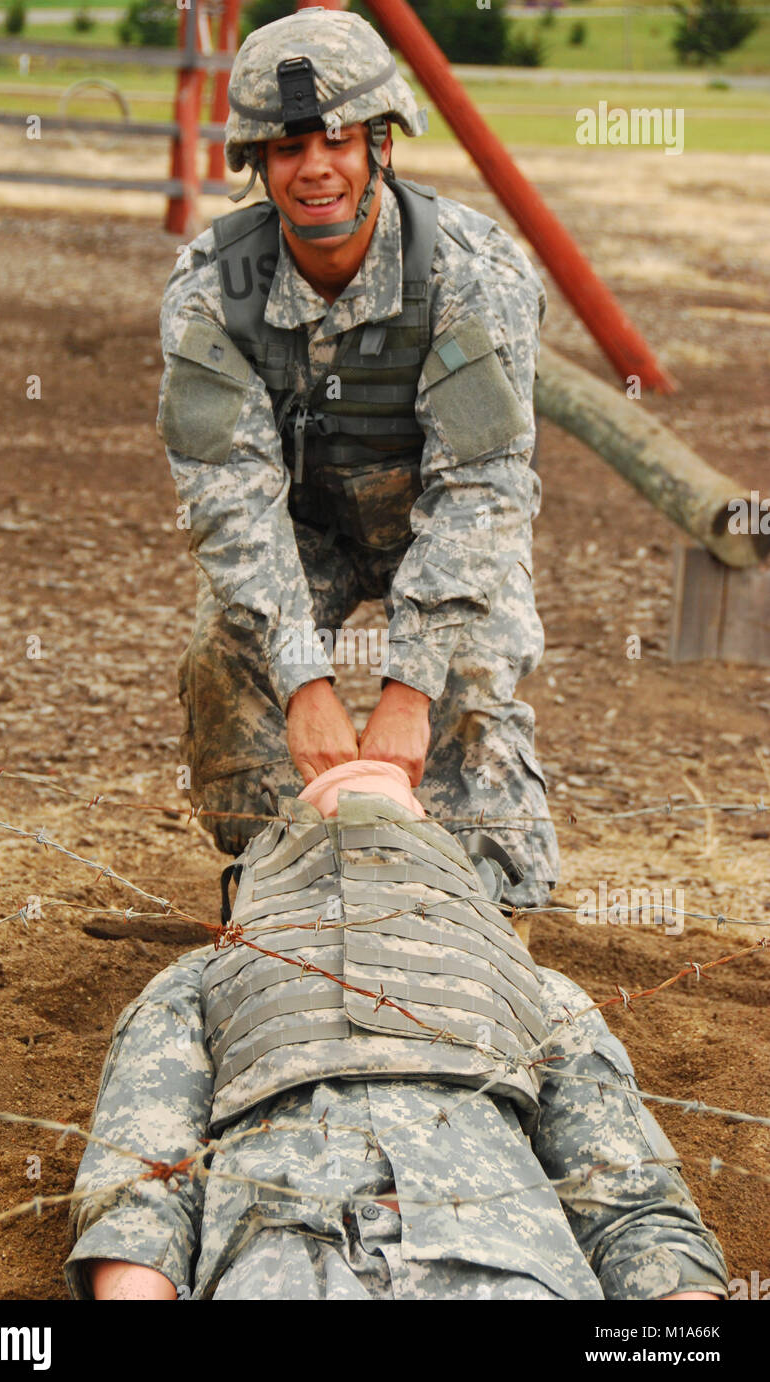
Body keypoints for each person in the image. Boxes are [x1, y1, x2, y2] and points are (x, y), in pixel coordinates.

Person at [157, 6, 559, 913]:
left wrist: (410, 685)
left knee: (471, 688)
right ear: (255, 163)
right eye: (287, 147)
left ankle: (482, 895)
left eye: (337, 138)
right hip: (305, 528)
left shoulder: (472, 273)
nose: (315, 169)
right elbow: (230, 503)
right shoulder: (212, 291)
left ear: (381, 142)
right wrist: (303, 678)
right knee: (226, 659)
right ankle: (288, 878)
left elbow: (482, 487)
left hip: (440, 526)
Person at [64, 763, 728, 1301]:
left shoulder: (536, 988)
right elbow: (140, 1186)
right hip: (330, 1257)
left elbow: (634, 1208)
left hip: (449, 1260)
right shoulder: (204, 978)